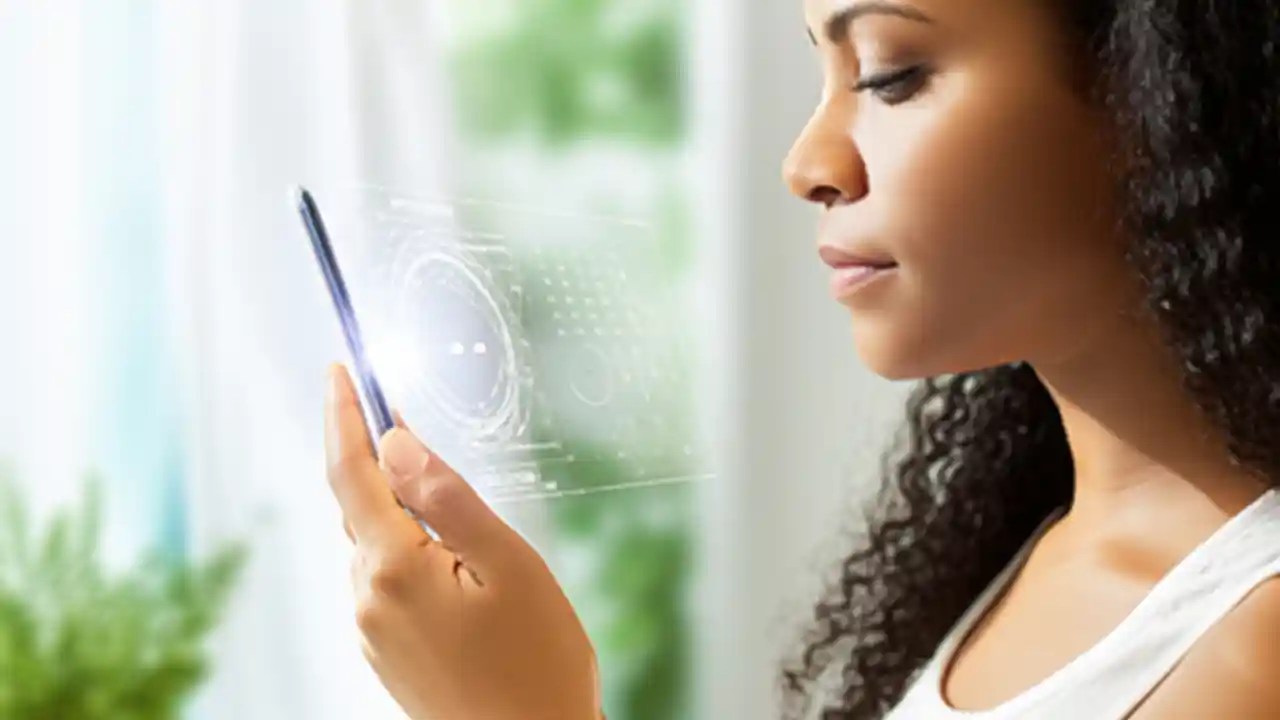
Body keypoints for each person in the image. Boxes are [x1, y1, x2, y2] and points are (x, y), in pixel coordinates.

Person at [322, 0, 1280, 717]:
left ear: (1159, 97)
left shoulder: (1254, 648)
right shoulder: (1035, 546)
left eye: (891, 74)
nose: (808, 161)